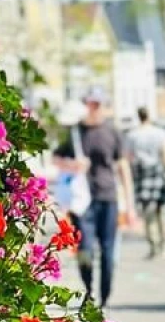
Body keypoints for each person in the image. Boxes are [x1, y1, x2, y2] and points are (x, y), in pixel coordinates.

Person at [51, 88, 134, 310]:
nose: (94, 108)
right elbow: (56, 157)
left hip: (108, 196)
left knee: (108, 250)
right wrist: (72, 165)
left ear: (104, 106)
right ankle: (89, 289)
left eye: (98, 104)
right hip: (82, 200)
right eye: (90, 103)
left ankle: (105, 293)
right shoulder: (76, 132)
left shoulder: (113, 132)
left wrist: (130, 203)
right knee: (84, 249)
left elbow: (123, 167)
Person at [127, 107, 165, 259]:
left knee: (147, 212)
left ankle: (153, 245)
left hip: (142, 174)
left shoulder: (133, 135)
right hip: (158, 173)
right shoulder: (160, 133)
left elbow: (129, 157)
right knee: (161, 211)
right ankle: (163, 245)